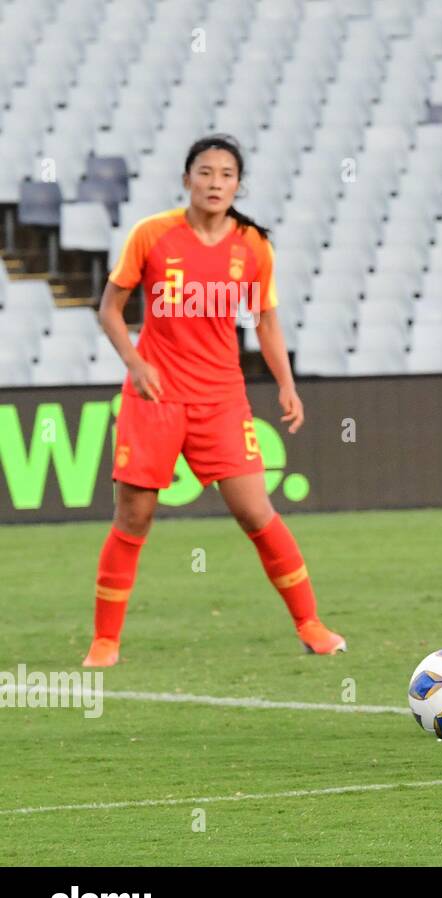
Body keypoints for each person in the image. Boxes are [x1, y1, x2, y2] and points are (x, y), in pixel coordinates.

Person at [84, 134, 345, 667]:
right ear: (187, 179)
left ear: (237, 184)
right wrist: (135, 362)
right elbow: (110, 309)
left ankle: (310, 624)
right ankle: (105, 640)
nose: (215, 182)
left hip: (221, 400)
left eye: (226, 174)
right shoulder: (152, 235)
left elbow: (266, 319)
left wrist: (287, 385)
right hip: (153, 397)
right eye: (205, 172)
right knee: (134, 517)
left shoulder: (252, 245)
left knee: (257, 512)